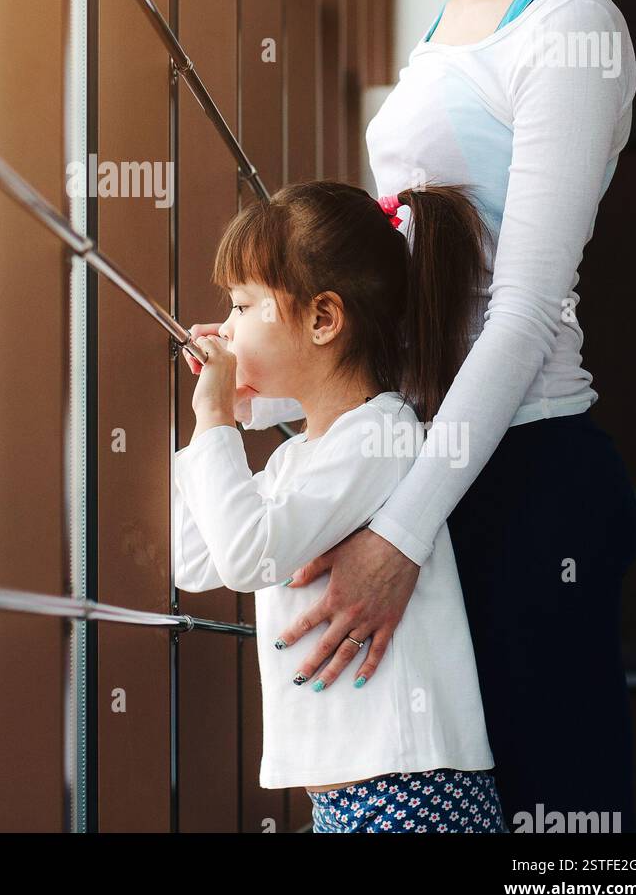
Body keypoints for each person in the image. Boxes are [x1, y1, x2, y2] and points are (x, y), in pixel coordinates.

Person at [197, 0, 636, 833]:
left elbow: (524, 308)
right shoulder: (448, 27)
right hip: (439, 471)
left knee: (559, 835)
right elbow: (413, 297)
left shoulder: (574, 33)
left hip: (523, 475)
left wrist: (398, 530)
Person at [175, 181, 507, 832]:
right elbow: (195, 562)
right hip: (349, 797)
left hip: (412, 793)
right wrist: (221, 425)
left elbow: (245, 560)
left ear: (323, 319)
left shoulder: (378, 438)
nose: (228, 325)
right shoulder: (299, 456)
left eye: (242, 305)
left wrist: (214, 413)